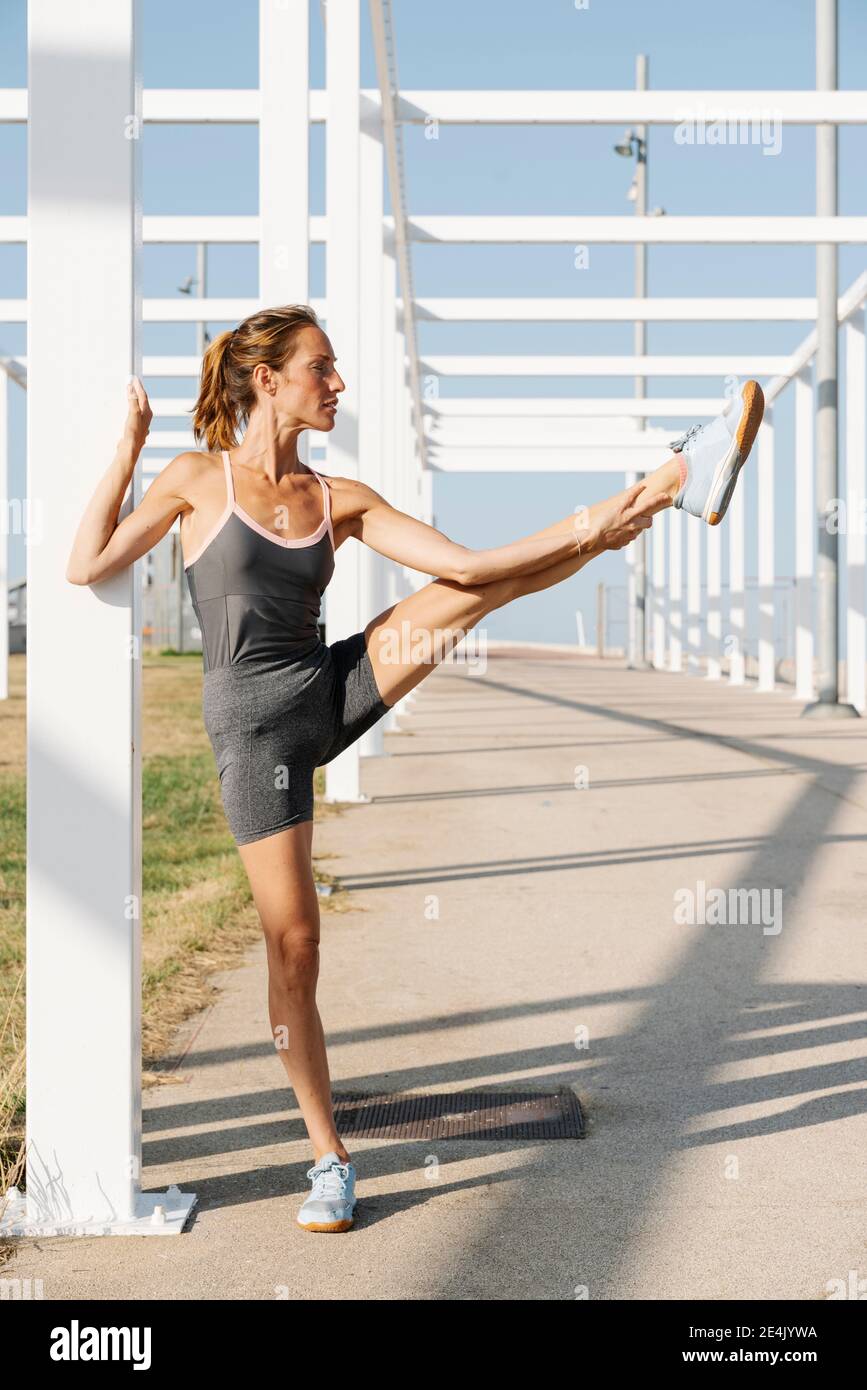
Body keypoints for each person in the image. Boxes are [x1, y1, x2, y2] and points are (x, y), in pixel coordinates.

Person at [66, 304, 764, 1232]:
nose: (339, 384)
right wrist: (128, 449)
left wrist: (591, 536)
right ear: (267, 377)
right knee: (295, 945)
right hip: (256, 742)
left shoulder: (339, 499)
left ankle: (665, 485)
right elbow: (86, 564)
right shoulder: (196, 480)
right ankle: (329, 1158)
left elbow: (468, 565)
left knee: (478, 588)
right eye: (323, 368)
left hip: (332, 686)